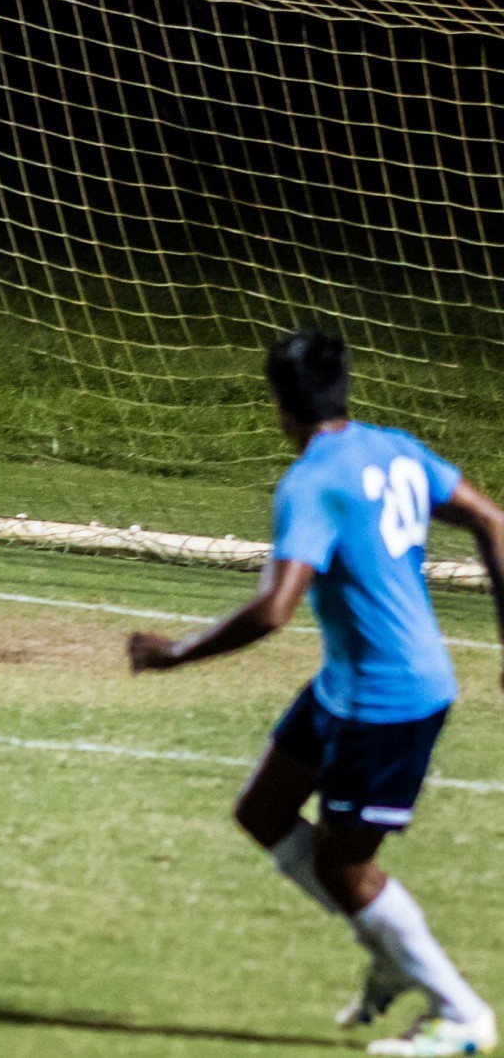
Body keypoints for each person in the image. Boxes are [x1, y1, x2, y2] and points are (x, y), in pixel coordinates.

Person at [128, 329, 499, 1056]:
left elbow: (274, 610)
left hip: (390, 700)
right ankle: (389, 950)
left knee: (343, 866)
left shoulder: (311, 482)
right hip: (343, 686)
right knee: (263, 810)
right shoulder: (394, 448)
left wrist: (176, 654)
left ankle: (462, 1015)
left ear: (280, 406)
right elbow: (493, 519)